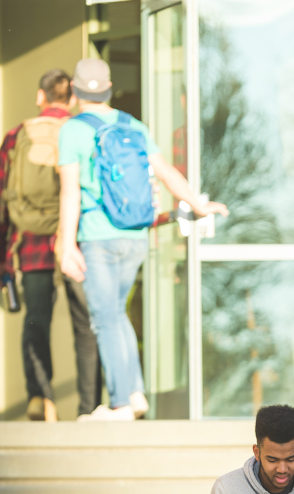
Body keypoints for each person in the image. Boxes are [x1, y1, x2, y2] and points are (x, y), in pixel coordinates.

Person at [59, 58, 228, 420]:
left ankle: (120, 402)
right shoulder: (132, 125)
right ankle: (134, 392)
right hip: (135, 234)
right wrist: (197, 202)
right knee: (116, 313)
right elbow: (166, 173)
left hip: (98, 235)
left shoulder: (72, 131)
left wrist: (65, 244)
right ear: (108, 89)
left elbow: (69, 192)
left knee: (104, 317)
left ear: (74, 91)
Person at [0, 68, 101, 422]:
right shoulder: (84, 132)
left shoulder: (17, 135)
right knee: (87, 325)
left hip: (31, 244)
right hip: (78, 243)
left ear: (41, 97)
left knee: (36, 322)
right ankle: (89, 408)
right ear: (72, 99)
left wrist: (1, 259)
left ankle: (40, 397)